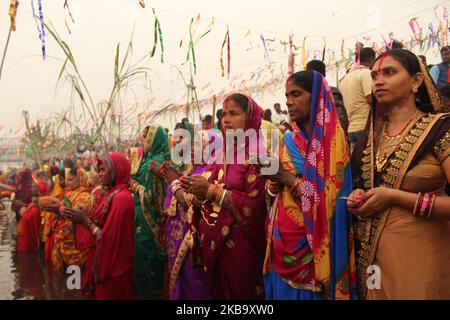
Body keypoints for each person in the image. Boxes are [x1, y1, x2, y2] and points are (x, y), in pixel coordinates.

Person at [350, 48, 450, 299]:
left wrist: (395, 197)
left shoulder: (440, 129)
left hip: (421, 257)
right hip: (373, 259)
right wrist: (358, 195)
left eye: (389, 72)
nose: (379, 81)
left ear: (416, 81)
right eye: (374, 76)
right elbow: (366, 182)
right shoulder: (369, 138)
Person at [263, 71, 357, 300]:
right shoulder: (287, 140)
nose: (288, 101)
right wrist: (273, 184)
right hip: (283, 242)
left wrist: (286, 179)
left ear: (315, 97)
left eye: (296, 94)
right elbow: (275, 192)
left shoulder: (334, 142)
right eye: (286, 95)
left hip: (315, 247)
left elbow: (332, 201)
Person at [180, 93, 267, 299]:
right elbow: (207, 192)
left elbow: (255, 207)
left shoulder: (258, 154)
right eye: (224, 114)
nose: (225, 119)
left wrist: (211, 191)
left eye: (234, 114)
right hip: (214, 246)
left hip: (240, 247)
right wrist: (194, 191)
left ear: (250, 118)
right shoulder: (223, 153)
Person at [150, 130, 216, 300]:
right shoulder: (191, 170)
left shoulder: (209, 174)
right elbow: (180, 190)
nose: (193, 149)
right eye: (193, 144)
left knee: (194, 286)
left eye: (199, 145)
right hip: (178, 240)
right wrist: (171, 176)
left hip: (192, 242)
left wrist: (173, 180)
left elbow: (188, 200)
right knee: (183, 285)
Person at [66, 152, 135, 300]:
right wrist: (84, 215)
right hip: (110, 269)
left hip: (114, 273)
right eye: (99, 170)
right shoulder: (113, 194)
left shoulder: (121, 199)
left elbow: (107, 240)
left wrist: (85, 221)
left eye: (104, 170)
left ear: (117, 170)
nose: (99, 174)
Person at [129, 124, 170, 297]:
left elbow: (154, 197)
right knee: (142, 255)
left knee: (151, 255)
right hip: (141, 217)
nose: (143, 141)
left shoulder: (158, 162)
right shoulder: (147, 159)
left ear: (155, 139)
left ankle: (153, 291)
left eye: (147, 137)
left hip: (151, 218)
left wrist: (135, 186)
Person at [51, 168, 93, 270]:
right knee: (65, 280)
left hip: (75, 246)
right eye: (67, 179)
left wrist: (60, 210)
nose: (67, 182)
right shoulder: (68, 194)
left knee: (75, 279)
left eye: (71, 179)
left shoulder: (85, 197)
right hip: (63, 244)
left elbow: (77, 217)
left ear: (80, 179)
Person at [339, 47, 376, 151]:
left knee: (356, 164)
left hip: (351, 130)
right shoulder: (365, 73)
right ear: (371, 59)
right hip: (365, 127)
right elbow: (371, 99)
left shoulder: (344, 79)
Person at [307, 59, 349, 133]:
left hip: (328, 139)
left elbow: (341, 121)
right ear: (324, 74)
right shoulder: (331, 91)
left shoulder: (331, 92)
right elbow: (342, 121)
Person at [17, 181, 42, 252]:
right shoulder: (32, 203)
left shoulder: (41, 204)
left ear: (40, 188)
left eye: (34, 187)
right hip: (24, 236)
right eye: (31, 187)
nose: (31, 189)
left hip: (31, 238)